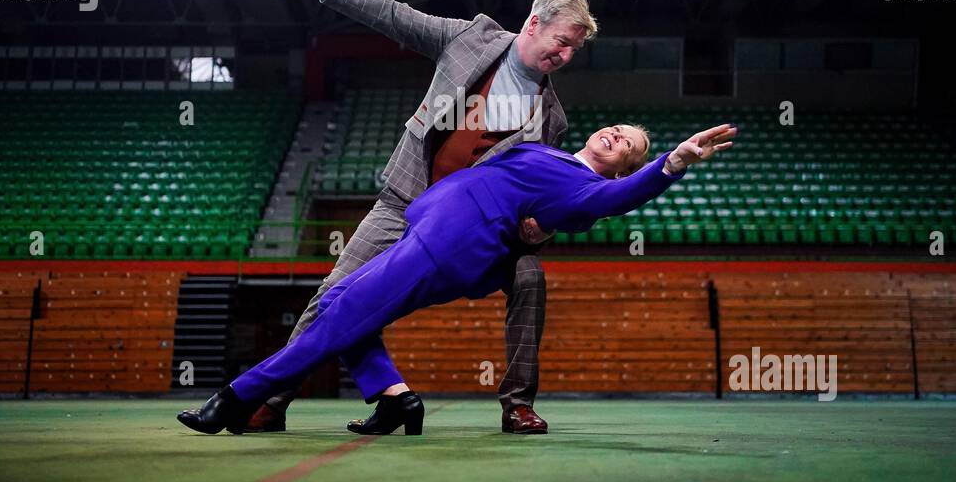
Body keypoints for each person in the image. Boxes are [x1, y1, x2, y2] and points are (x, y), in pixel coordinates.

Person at [178, 122, 736, 437]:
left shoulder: (587, 191)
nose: (617, 137)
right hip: (426, 232)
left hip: (448, 249)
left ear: (623, 167)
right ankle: (396, 399)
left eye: (629, 147)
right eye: (617, 130)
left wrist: (669, 164)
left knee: (338, 320)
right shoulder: (550, 154)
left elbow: (622, 198)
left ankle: (234, 396)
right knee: (340, 307)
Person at [247, 0, 596, 437]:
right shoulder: (469, 38)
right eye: (562, 42)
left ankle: (518, 405)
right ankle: (272, 401)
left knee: (529, 276)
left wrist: (537, 229)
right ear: (534, 23)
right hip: (403, 203)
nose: (565, 56)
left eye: (574, 50)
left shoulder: (552, 120)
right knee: (332, 293)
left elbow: (534, 198)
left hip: (473, 235)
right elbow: (394, 15)